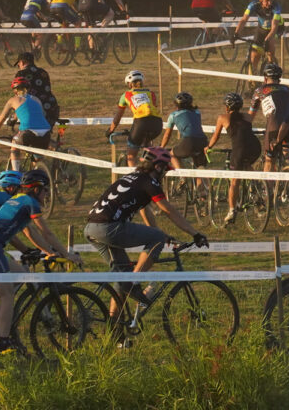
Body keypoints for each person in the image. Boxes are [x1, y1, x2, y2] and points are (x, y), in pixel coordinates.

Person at [0, 169, 81, 353]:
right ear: (36, 189)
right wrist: (66, 254)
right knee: (7, 295)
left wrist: (49, 252)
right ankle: (4, 341)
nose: (47, 195)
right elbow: (46, 232)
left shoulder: (19, 200)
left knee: (20, 274)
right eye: (46, 190)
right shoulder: (31, 203)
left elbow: (30, 232)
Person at [84, 146, 209, 314]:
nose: (164, 174)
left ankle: (114, 323)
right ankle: (135, 281)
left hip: (91, 228)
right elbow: (168, 210)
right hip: (109, 227)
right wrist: (195, 234)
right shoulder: (150, 182)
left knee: (122, 276)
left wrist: (160, 234)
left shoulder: (133, 178)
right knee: (135, 270)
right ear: (158, 167)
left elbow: (144, 209)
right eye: (165, 170)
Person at [208, 92, 262, 224]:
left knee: (234, 181)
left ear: (227, 107)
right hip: (255, 148)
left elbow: (216, 136)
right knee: (247, 165)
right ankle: (256, 188)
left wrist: (208, 147)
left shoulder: (222, 118)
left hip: (240, 150)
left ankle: (232, 211)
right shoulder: (247, 116)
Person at [0, 76, 52, 171]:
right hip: (45, 133)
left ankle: (16, 172)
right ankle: (38, 174)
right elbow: (39, 114)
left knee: (14, 145)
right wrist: (15, 118)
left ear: (15, 90)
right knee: (37, 156)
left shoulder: (13, 100)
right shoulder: (36, 99)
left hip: (29, 132)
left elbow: (1, 120)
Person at [107, 70, 163, 166]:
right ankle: (151, 166)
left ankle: (134, 174)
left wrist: (110, 130)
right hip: (157, 123)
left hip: (141, 123)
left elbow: (118, 116)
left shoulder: (126, 95)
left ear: (129, 84)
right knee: (147, 146)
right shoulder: (151, 93)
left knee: (131, 156)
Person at [251, 62, 289, 171]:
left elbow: (250, 116)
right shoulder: (288, 90)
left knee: (269, 160)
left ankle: (269, 182)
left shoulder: (260, 91)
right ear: (279, 79)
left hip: (274, 127)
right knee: (287, 148)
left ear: (265, 78)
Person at [233, 0, 284, 71]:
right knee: (255, 55)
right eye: (267, 0)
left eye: (271, 0)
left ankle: (271, 67)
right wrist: (236, 33)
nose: (270, 3)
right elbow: (244, 20)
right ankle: (254, 74)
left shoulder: (276, 6)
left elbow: (274, 26)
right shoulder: (253, 5)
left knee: (270, 50)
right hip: (262, 28)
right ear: (261, 0)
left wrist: (267, 40)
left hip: (276, 28)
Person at [161, 92, 207, 170]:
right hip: (203, 140)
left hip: (189, 141)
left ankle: (182, 175)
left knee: (172, 154)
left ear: (176, 104)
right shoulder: (197, 112)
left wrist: (161, 147)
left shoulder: (173, 115)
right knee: (200, 167)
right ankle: (202, 175)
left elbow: (167, 135)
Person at [14, 50, 59, 126]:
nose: (19, 66)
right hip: (51, 108)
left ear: (22, 62)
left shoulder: (21, 74)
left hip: (33, 111)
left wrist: (14, 118)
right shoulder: (43, 72)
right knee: (46, 131)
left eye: (18, 65)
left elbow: (20, 97)